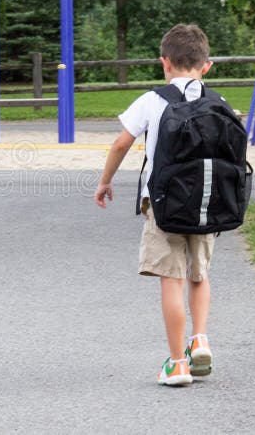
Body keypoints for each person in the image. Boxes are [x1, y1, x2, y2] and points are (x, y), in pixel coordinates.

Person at [94, 23, 216, 386]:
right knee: (200, 274)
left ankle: (177, 363)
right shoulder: (217, 102)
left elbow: (120, 144)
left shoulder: (152, 99)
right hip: (207, 204)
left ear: (164, 62)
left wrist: (105, 182)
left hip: (163, 205)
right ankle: (201, 339)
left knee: (171, 279)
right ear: (206, 66)